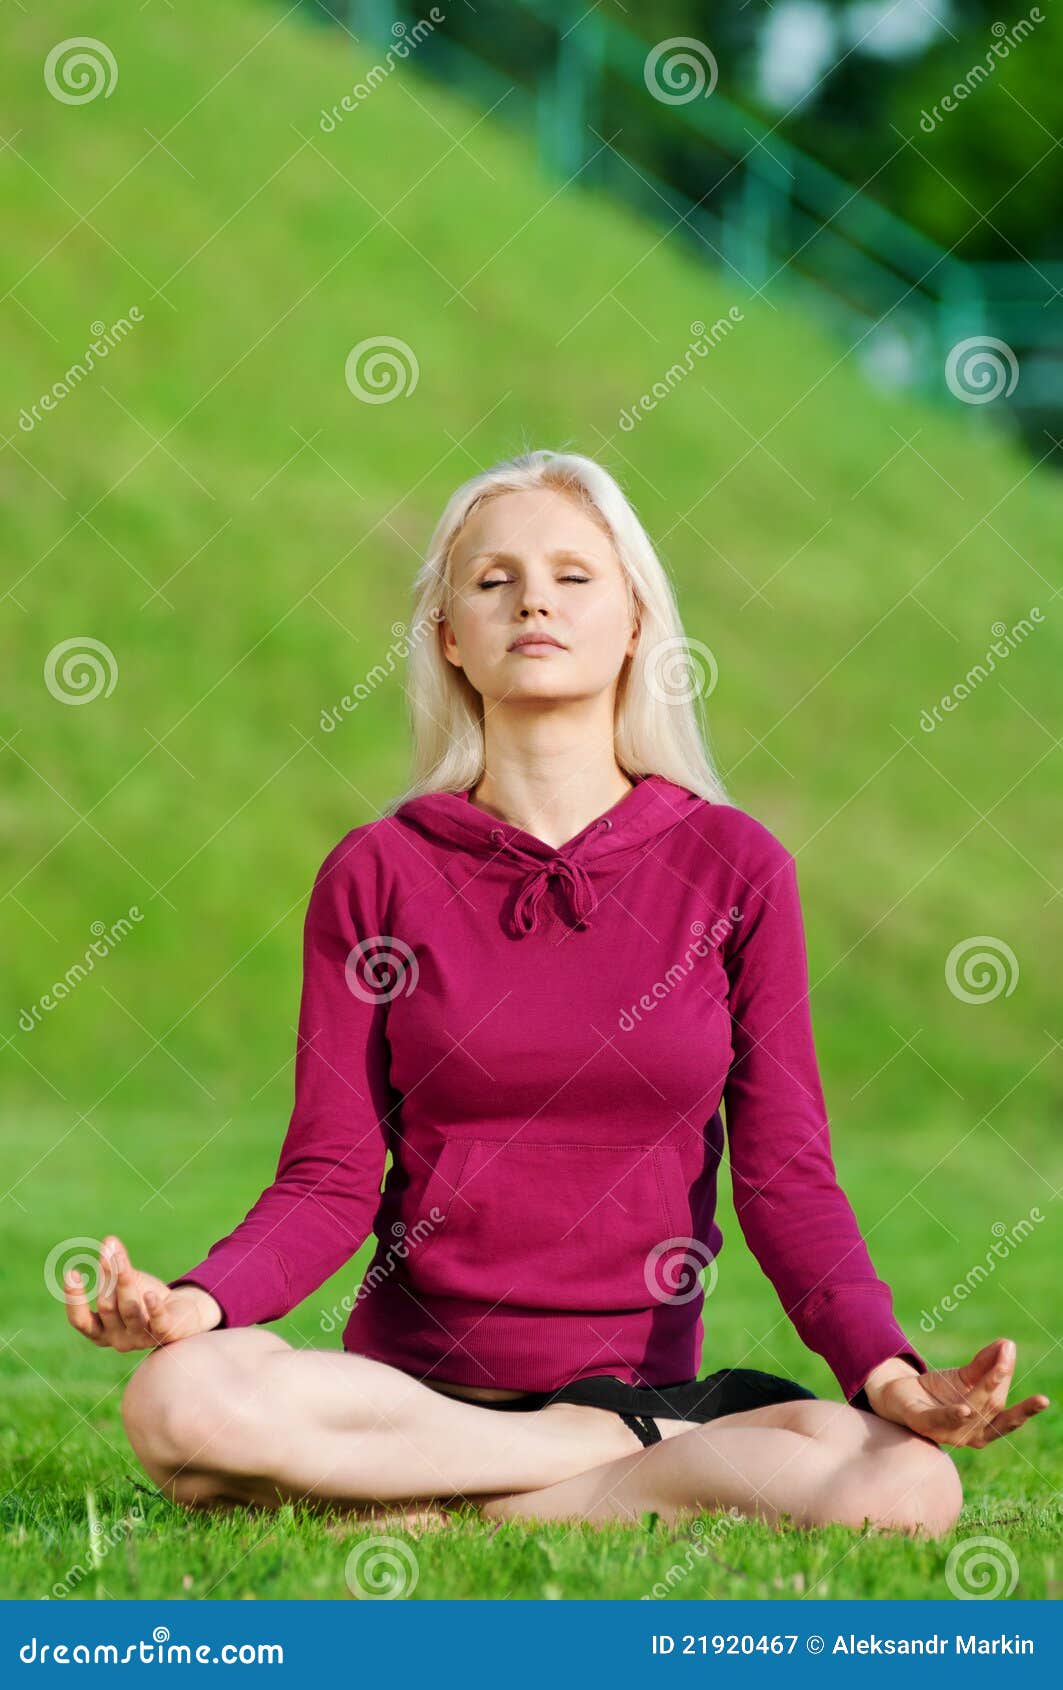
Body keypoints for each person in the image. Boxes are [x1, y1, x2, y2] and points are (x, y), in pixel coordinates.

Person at [65, 450, 1048, 1536]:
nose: (533, 596)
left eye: (574, 575)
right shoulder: (376, 870)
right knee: (178, 1398)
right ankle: (568, 1471)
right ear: (447, 635)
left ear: (634, 621)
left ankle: (432, 1505)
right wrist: (190, 1305)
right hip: (408, 1399)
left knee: (910, 1484)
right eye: (493, 580)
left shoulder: (733, 866)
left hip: (648, 1398)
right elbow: (328, 1180)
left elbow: (787, 1178)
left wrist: (888, 1371)